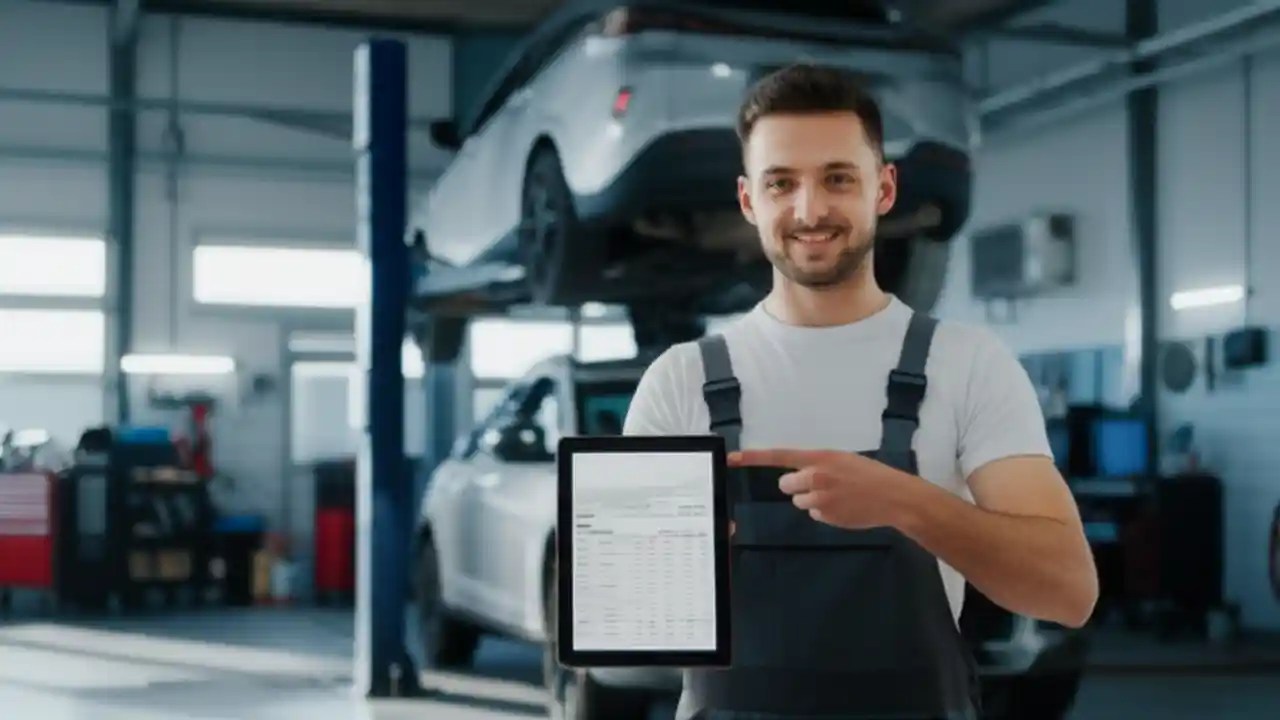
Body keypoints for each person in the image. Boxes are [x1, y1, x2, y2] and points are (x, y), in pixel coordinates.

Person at [623, 63, 1099, 720]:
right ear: (747, 200)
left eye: (838, 178)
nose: (809, 209)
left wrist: (908, 503)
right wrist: (666, 565)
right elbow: (624, 626)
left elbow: (1068, 592)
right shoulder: (680, 382)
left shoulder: (967, 366)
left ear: (884, 187)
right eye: (781, 183)